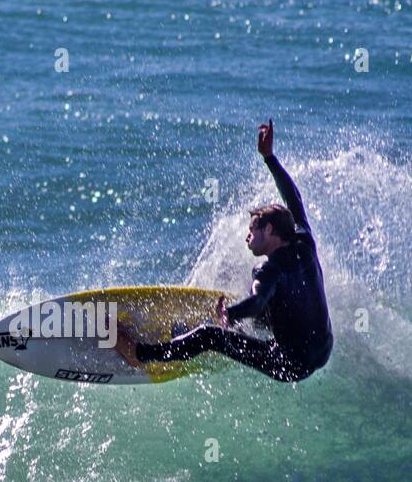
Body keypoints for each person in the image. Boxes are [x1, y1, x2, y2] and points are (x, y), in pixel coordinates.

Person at [114, 119, 333, 382]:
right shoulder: (304, 241)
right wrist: (269, 158)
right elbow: (293, 198)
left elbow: (257, 301)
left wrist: (229, 313)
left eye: (253, 230)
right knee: (266, 307)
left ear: (271, 231)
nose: (247, 237)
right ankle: (220, 328)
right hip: (321, 353)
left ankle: (140, 352)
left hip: (289, 364)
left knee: (210, 336)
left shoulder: (268, 269)